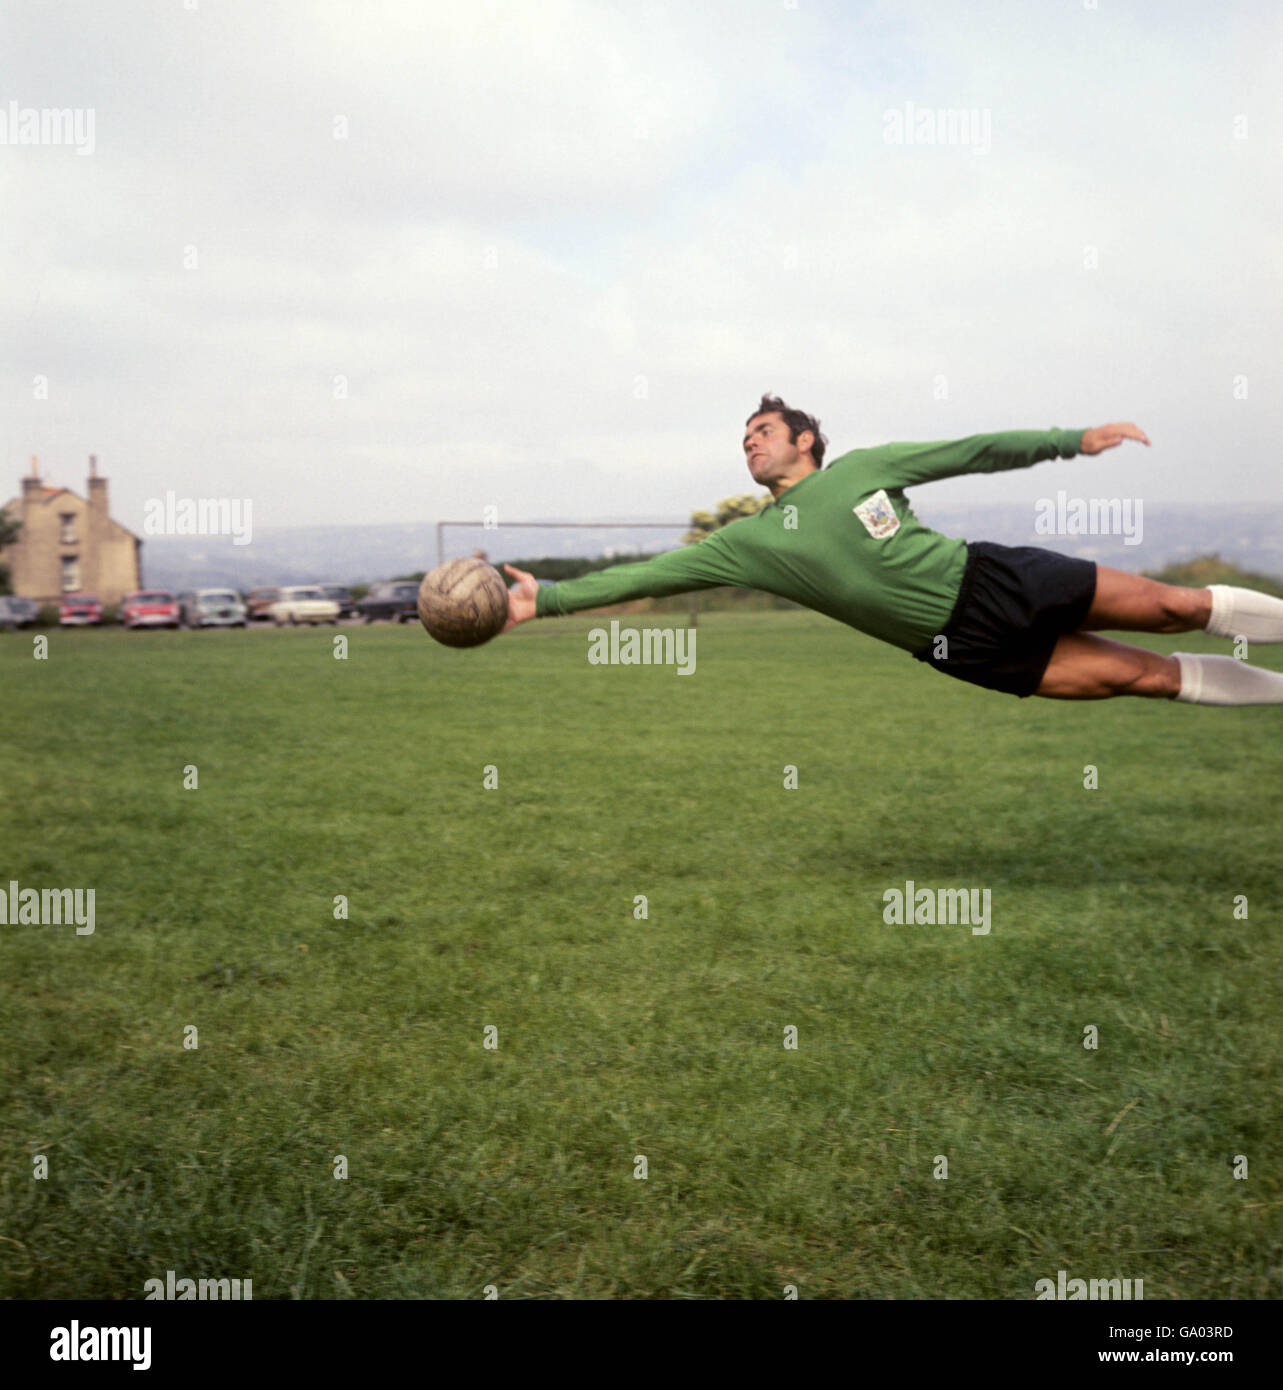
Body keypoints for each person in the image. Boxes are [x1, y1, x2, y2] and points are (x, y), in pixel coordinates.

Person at [501, 394, 1283, 705]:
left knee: (1176, 607)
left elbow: (971, 450)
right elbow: (653, 573)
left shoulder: (864, 469)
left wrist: (1069, 441)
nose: (749, 446)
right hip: (952, 644)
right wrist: (548, 599)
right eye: (742, 441)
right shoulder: (747, 544)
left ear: (803, 440)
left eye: (762, 433)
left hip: (994, 580)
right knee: (1137, 677)